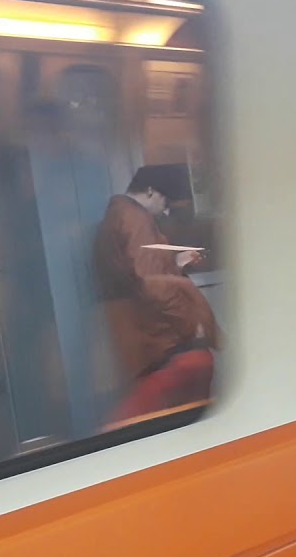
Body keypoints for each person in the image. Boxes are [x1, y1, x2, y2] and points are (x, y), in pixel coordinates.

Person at [93, 164, 220, 426]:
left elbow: (141, 275)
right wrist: (192, 330)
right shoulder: (135, 219)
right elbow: (151, 285)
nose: (166, 210)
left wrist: (175, 263)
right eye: (166, 201)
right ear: (150, 191)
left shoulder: (118, 217)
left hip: (149, 346)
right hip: (166, 347)